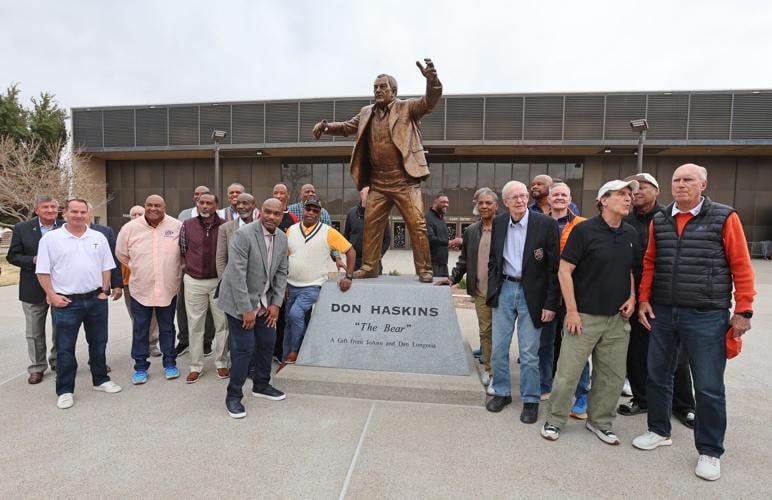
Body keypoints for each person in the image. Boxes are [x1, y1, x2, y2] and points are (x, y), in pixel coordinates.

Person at [632, 164, 756, 482]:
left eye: (688, 180)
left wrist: (744, 310)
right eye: (676, 180)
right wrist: (644, 299)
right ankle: (659, 430)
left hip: (706, 315)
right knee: (658, 376)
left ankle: (710, 451)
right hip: (662, 311)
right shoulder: (660, 220)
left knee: (709, 387)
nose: (681, 185)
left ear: (703, 184)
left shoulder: (724, 217)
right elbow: (650, 262)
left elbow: (741, 263)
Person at [312, 58, 441, 282]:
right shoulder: (366, 112)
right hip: (378, 183)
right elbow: (346, 127)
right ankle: (370, 266)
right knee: (371, 225)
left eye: (383, 87)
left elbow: (429, 103)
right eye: (375, 87)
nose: (378, 90)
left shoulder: (407, 107)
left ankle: (424, 269)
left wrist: (433, 81)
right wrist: (326, 126)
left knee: (417, 224)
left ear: (394, 90)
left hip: (405, 181)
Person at [541, 179, 638, 445]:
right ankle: (555, 419)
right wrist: (571, 311)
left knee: (612, 377)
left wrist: (632, 295)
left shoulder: (630, 233)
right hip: (583, 317)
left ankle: (601, 422)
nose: (628, 198)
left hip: (618, 320)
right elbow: (564, 271)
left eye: (630, 195)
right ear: (603, 200)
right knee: (568, 373)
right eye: (621, 194)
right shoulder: (584, 230)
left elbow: (630, 270)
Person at [617, 173, 696, 428]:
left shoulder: (667, 218)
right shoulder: (623, 220)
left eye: (644, 186)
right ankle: (643, 399)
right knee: (636, 351)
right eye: (633, 188)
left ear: (657, 190)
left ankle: (684, 405)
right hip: (632, 296)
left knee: (676, 354)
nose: (637, 191)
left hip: (664, 295)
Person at [35, 198, 122, 409]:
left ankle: (100, 380)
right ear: (64, 213)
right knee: (65, 349)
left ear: (89, 214)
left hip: (95, 300)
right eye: (74, 211)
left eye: (83, 212)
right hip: (66, 302)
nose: (79, 215)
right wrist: (52, 295)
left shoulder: (98, 237)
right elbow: (43, 271)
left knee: (99, 343)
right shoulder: (51, 239)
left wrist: (104, 290)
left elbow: (106, 266)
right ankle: (65, 390)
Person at [486, 181, 560, 424]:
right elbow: (494, 260)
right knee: (498, 347)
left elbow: (553, 268)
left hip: (534, 293)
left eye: (523, 196)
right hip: (505, 289)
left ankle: (530, 399)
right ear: (505, 202)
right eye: (514, 197)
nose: (520, 200)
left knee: (529, 352)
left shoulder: (546, 224)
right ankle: (502, 391)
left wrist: (550, 304)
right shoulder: (498, 223)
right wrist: (492, 289)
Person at [218, 199, 289, 418]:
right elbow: (236, 274)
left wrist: (276, 304)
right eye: (267, 212)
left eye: (276, 214)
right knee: (244, 349)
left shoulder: (283, 238)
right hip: (240, 302)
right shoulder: (244, 234)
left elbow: (281, 272)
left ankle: (261, 385)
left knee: (267, 342)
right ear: (261, 212)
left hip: (265, 303)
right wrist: (245, 309)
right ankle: (233, 396)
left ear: (281, 215)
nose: (271, 216)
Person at [537, 182, 591, 419]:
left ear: (570, 199)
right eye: (555, 194)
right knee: (545, 344)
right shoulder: (538, 224)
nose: (559, 197)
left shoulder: (583, 225)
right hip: (546, 296)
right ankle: (545, 386)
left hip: (574, 297)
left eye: (564, 194)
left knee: (577, 348)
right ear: (548, 199)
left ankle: (582, 394)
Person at [116, 194, 183, 385]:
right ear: (145, 206)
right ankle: (140, 367)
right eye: (150, 205)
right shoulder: (130, 228)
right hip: (140, 287)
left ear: (165, 207)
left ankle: (170, 363)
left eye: (158, 205)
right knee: (140, 329)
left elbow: (183, 254)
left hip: (168, 287)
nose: (154, 208)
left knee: (168, 328)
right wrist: (138, 267)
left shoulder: (176, 226)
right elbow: (121, 253)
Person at [436, 188, 498, 385]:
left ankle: (500, 369)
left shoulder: (506, 228)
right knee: (485, 331)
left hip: (504, 291)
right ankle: (490, 370)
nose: (484, 206)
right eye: (481, 203)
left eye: (488, 203)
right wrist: (452, 278)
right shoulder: (471, 231)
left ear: (496, 205)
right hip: (481, 291)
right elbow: (463, 261)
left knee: (502, 333)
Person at [283, 198, 355, 363]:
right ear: (302, 210)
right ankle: (287, 357)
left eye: (315, 210)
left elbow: (351, 251)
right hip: (291, 285)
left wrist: (348, 276)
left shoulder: (328, 231)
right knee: (289, 321)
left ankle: (295, 351)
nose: (311, 213)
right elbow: (284, 259)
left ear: (319, 213)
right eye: (308, 209)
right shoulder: (292, 230)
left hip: (313, 285)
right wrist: (283, 283)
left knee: (295, 315)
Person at [7, 195, 62, 384]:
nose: (50, 210)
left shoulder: (64, 226)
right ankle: (37, 367)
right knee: (34, 331)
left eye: (53, 207)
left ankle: (58, 360)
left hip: (61, 287)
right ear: (37, 210)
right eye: (45, 207)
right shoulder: (22, 228)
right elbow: (12, 256)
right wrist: (33, 260)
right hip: (32, 288)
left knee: (61, 328)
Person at [179, 192, 229, 383]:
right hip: (194, 281)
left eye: (209, 203)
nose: (205, 206)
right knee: (195, 324)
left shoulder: (225, 225)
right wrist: (188, 270)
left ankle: (221, 363)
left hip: (218, 281)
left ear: (216, 205)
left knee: (222, 324)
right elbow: (183, 250)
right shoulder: (188, 225)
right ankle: (195, 366)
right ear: (197, 204)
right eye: (202, 203)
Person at [176, 185, 215, 357]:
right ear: (195, 200)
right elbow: (183, 248)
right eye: (198, 197)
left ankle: (207, 343)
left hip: (213, 276)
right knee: (185, 310)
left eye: (207, 199)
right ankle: (185, 343)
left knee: (211, 315)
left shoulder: (220, 222)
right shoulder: (185, 218)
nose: (203, 203)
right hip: (191, 274)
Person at [122, 206, 161, 357]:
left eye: (140, 213)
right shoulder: (125, 232)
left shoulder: (152, 233)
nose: (137, 216)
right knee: (136, 316)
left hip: (150, 281)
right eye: (134, 214)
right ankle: (140, 345)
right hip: (129, 283)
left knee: (153, 316)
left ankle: (152, 344)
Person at [271, 184, 299, 362]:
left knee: (281, 316)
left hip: (283, 274)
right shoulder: (264, 215)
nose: (279, 196)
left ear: (288, 196)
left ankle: (279, 351)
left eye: (282, 193)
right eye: (276, 193)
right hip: (265, 274)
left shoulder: (294, 218)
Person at [344, 186, 391, 272]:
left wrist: (379, 254)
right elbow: (346, 236)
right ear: (361, 194)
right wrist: (349, 254)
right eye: (368, 193)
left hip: (374, 263)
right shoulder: (352, 213)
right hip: (355, 262)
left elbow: (387, 239)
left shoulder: (381, 214)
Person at [216, 193, 257, 278]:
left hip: (256, 281)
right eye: (238, 203)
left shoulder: (261, 228)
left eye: (245, 203)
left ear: (253, 205)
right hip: (233, 280)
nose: (240, 206)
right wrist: (224, 281)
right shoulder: (225, 228)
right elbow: (221, 259)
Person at [426, 193, 463, 278]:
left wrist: (451, 245)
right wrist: (450, 242)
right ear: (435, 202)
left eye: (447, 202)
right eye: (443, 202)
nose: (446, 204)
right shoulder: (428, 217)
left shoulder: (441, 218)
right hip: (432, 264)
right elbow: (430, 239)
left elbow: (441, 241)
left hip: (443, 264)